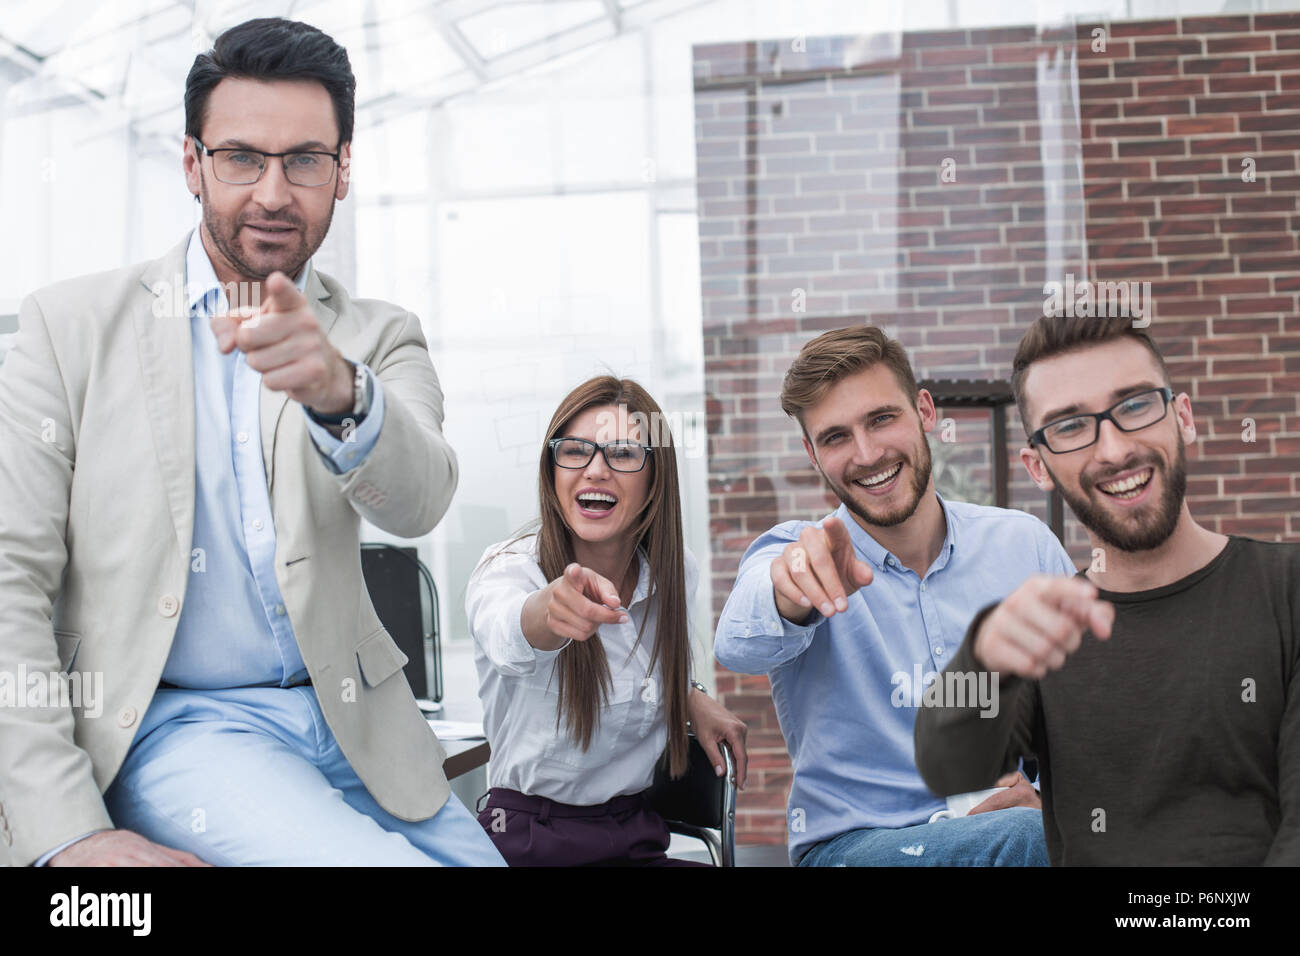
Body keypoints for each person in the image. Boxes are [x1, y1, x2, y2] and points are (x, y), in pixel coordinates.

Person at [0, 17, 502, 866]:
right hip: (182, 726)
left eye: (305, 159)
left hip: (358, 725)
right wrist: (67, 833)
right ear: (192, 164)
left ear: (343, 172)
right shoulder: (70, 328)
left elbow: (421, 499)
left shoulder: (378, 337)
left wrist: (341, 396)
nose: (273, 192)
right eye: (241, 158)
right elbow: (9, 578)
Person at [914, 317, 1299, 865]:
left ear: (1182, 417)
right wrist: (981, 660)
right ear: (1038, 466)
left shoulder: (1288, 593)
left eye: (1136, 405)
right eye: (1070, 426)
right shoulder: (1047, 630)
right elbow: (946, 761)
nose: (1114, 449)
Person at [714, 325, 1071, 867]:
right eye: (835, 437)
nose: (867, 453)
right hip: (854, 847)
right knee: (1031, 840)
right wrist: (793, 594)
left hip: (1004, 835)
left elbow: (1086, 716)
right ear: (813, 455)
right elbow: (737, 642)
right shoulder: (801, 552)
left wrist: (1051, 801)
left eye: (882, 419)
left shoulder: (1023, 546)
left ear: (925, 412)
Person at [466, 376, 748, 866]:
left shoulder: (674, 572)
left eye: (622, 453)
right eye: (575, 450)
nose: (595, 470)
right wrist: (548, 613)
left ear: (655, 476)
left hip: (635, 838)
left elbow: (636, 670)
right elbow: (505, 628)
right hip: (528, 844)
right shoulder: (510, 568)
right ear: (552, 470)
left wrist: (689, 695)